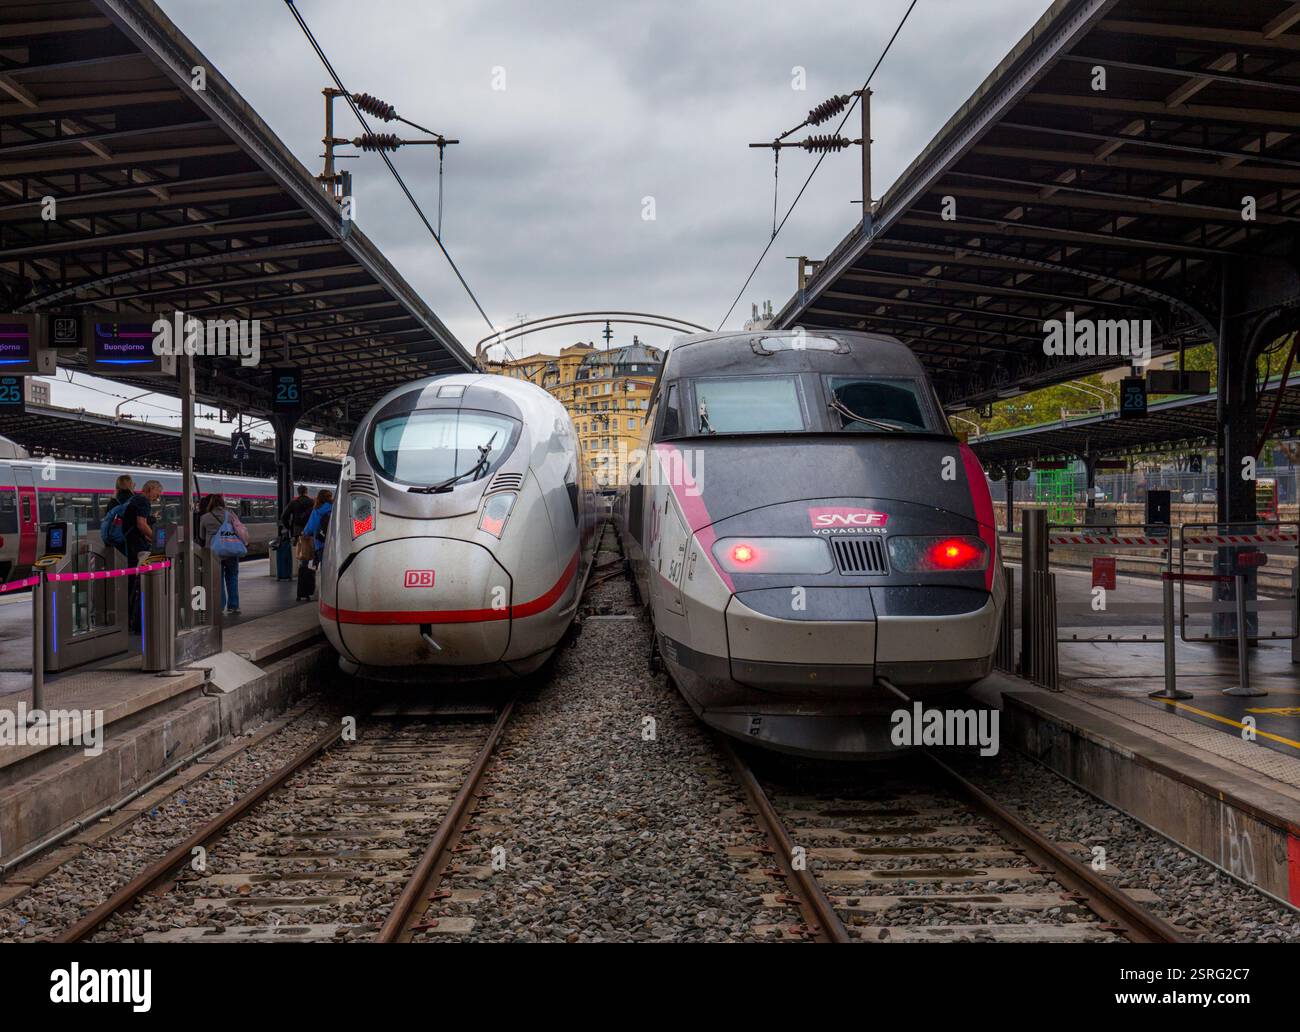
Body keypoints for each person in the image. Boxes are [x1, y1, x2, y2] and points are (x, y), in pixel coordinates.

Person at [198, 494, 248, 615]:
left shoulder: (205, 517)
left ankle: (219, 606)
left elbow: (202, 536)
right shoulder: (231, 515)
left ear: (210, 504)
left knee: (217, 579)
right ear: (222, 503)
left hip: (214, 552)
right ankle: (234, 605)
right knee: (232, 577)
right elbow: (239, 529)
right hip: (231, 550)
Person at [123, 480, 162, 633]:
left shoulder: (134, 499)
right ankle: (137, 622)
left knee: (133, 582)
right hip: (137, 549)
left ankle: (132, 621)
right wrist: (157, 540)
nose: (157, 497)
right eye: (157, 493)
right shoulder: (143, 501)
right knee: (138, 584)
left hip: (131, 544)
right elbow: (141, 524)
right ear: (151, 489)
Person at [297, 489, 333, 602]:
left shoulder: (316, 511)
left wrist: (304, 533)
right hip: (334, 543)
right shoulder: (335, 508)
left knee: (323, 568)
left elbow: (309, 528)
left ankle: (325, 591)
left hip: (320, 543)